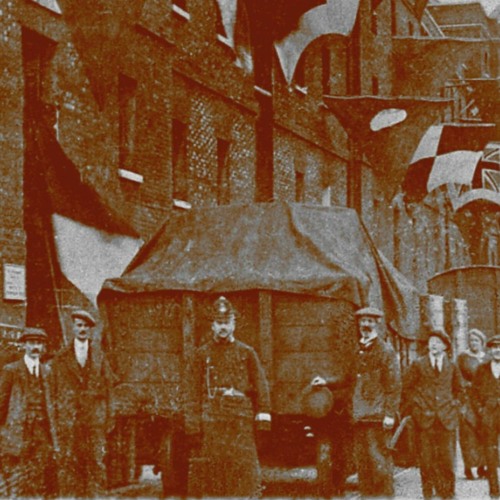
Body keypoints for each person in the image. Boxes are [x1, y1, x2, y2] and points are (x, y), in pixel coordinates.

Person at [185, 296, 271, 497]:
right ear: (212, 326)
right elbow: (192, 391)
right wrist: (193, 424)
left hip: (240, 421)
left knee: (245, 472)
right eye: (219, 323)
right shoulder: (202, 355)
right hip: (212, 421)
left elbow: (261, 386)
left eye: (226, 322)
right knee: (214, 473)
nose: (223, 327)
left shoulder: (247, 353)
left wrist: (263, 420)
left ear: (234, 324)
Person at [311, 306, 401, 498]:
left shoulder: (385, 351)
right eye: (363, 321)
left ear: (377, 323)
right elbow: (347, 378)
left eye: (370, 321)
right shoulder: (358, 350)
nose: (365, 325)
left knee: (379, 461)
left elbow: (393, 385)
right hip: (359, 415)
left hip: (376, 416)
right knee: (363, 464)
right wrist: (326, 381)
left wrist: (389, 414)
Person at [50, 309, 115, 497]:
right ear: (73, 327)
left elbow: (109, 388)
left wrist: (110, 416)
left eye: (86, 326)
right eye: (79, 325)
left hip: (94, 421)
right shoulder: (61, 357)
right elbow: (53, 391)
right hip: (70, 421)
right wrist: (57, 419)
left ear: (91, 329)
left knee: (96, 462)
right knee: (70, 463)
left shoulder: (99, 356)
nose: (82, 329)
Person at [401, 328, 463, 499]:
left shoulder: (452, 366)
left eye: (438, 342)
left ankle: (448, 494)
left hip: (446, 420)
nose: (434, 345)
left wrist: (454, 407)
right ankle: (428, 494)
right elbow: (407, 388)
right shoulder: (418, 364)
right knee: (427, 460)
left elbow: (459, 390)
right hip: (424, 419)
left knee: (447, 459)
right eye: (431, 342)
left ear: (445, 346)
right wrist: (416, 407)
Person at [0, 327, 58, 498]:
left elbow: (53, 404)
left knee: (38, 477)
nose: (35, 347)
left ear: (43, 347)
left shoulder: (47, 372)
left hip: (42, 433)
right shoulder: (11, 370)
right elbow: (1, 403)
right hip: (19, 432)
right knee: (17, 478)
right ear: (24, 345)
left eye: (39, 343)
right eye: (31, 343)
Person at [471, 334, 500, 498]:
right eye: (495, 347)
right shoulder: (482, 369)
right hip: (488, 416)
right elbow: (474, 394)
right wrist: (481, 410)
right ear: (490, 350)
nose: (498, 350)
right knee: (490, 453)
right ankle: (494, 491)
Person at [457, 328, 488, 480]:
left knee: (484, 431)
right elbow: (457, 377)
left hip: (484, 400)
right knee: (468, 433)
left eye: (476, 340)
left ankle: (483, 466)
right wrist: (466, 387)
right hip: (467, 399)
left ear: (482, 342)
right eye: (471, 340)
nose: (473, 343)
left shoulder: (487, 358)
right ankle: (469, 467)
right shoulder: (463, 357)